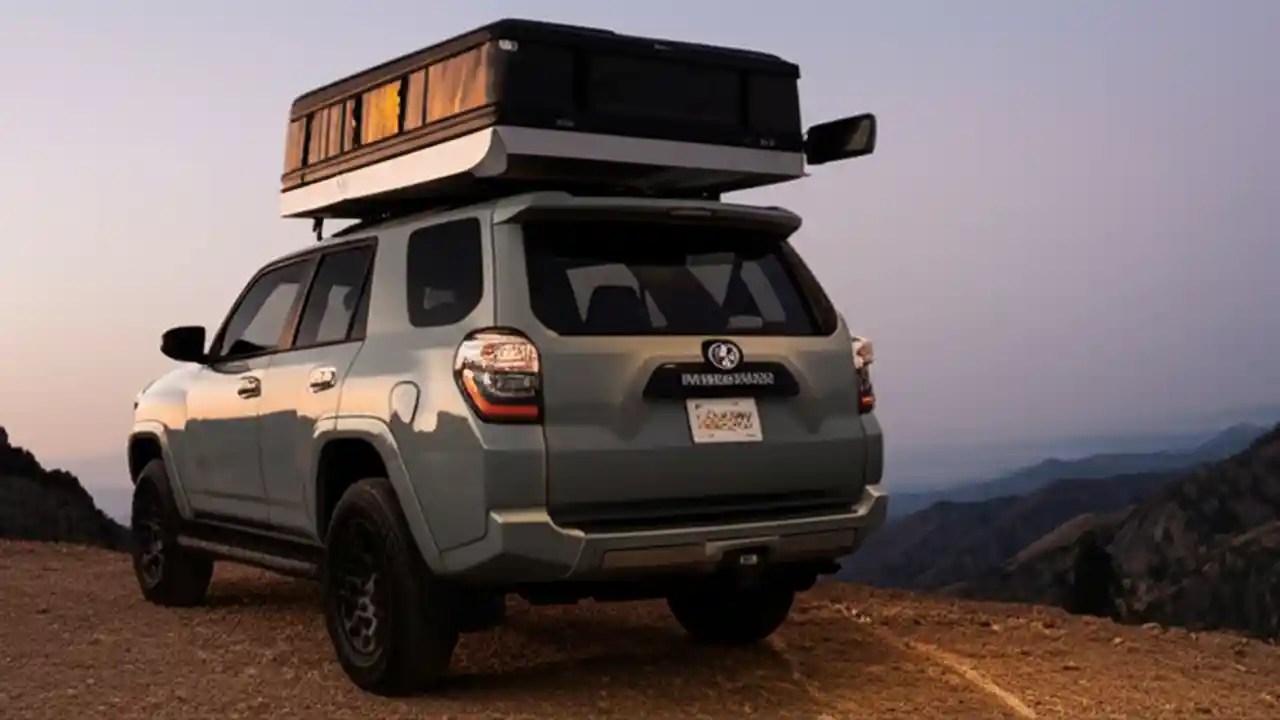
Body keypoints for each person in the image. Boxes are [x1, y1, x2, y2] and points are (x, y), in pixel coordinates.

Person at [1068, 530, 1122, 618]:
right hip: (1098, 600)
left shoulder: (1083, 561)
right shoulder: (1101, 558)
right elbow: (1111, 576)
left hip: (1088, 601)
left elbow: (1077, 582)